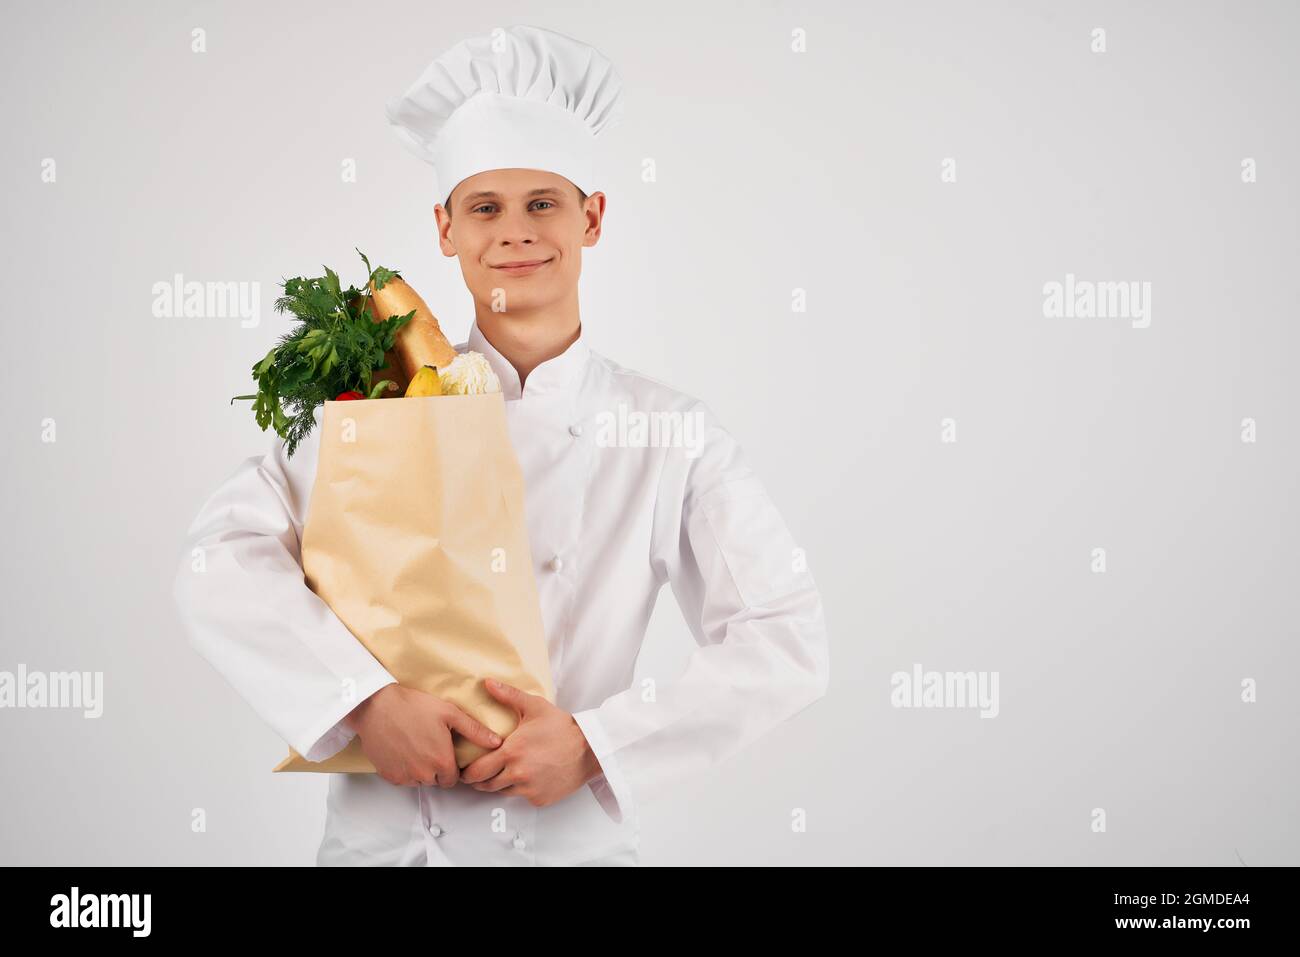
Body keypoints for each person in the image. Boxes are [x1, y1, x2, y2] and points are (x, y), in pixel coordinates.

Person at [172, 24, 829, 867]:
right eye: (485, 207)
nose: (515, 233)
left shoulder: (670, 434)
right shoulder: (370, 401)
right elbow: (218, 558)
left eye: (543, 203)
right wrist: (364, 700)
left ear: (591, 218)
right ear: (445, 230)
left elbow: (784, 636)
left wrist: (596, 743)